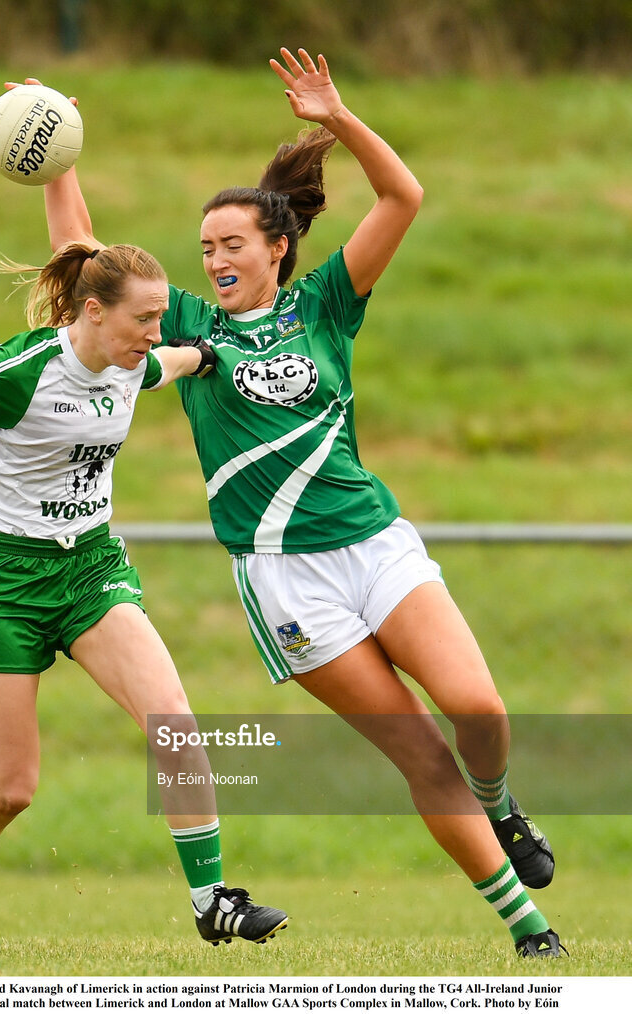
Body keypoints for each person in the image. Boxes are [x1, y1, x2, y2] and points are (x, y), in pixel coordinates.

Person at [40, 48, 565, 959]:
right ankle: (531, 932)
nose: (216, 260)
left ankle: (500, 803)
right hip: (286, 583)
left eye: (232, 244)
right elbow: (85, 265)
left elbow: (404, 198)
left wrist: (339, 120)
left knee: (477, 708)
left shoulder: (327, 302)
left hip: (375, 543)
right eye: (206, 249)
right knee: (420, 755)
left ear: (277, 246)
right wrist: (59, 158)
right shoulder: (191, 325)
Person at [0, 239, 287, 954]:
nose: (153, 333)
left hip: (91, 572)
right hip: (6, 586)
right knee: (11, 789)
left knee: (176, 724)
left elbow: (181, 358)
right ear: (93, 312)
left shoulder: (133, 363)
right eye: (143, 318)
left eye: (161, 317)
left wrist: (214, 353)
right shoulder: (19, 372)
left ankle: (212, 901)